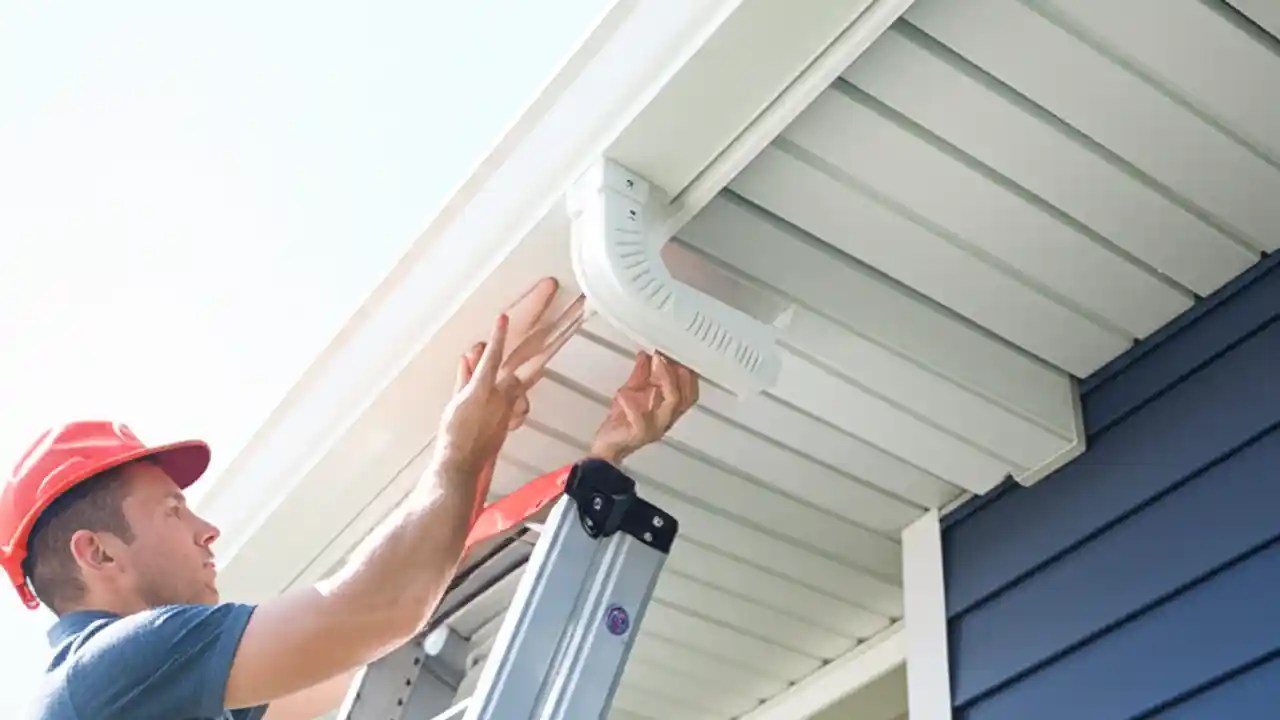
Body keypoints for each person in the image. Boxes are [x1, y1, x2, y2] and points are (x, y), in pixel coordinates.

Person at [0, 277, 700, 720]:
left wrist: (579, 468)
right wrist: (460, 450)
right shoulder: (112, 672)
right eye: (173, 511)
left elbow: (358, 657)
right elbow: (376, 611)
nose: (209, 530)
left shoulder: (162, 697)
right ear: (96, 552)